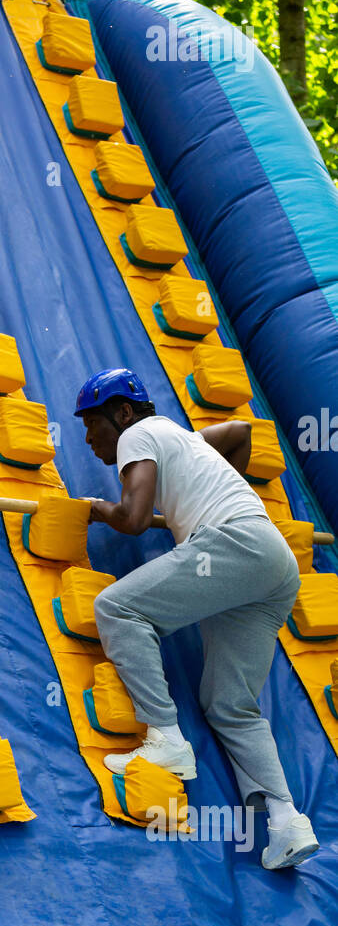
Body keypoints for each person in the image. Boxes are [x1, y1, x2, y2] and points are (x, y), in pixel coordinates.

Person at [77, 367, 320, 871]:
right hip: (272, 560)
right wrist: (211, 498)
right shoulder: (184, 438)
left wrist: (94, 509)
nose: (87, 438)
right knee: (230, 705)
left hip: (234, 545)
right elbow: (241, 433)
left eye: (91, 423)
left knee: (116, 606)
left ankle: (165, 737)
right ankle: (287, 821)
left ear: (121, 413)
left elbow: (135, 520)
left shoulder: (138, 434)